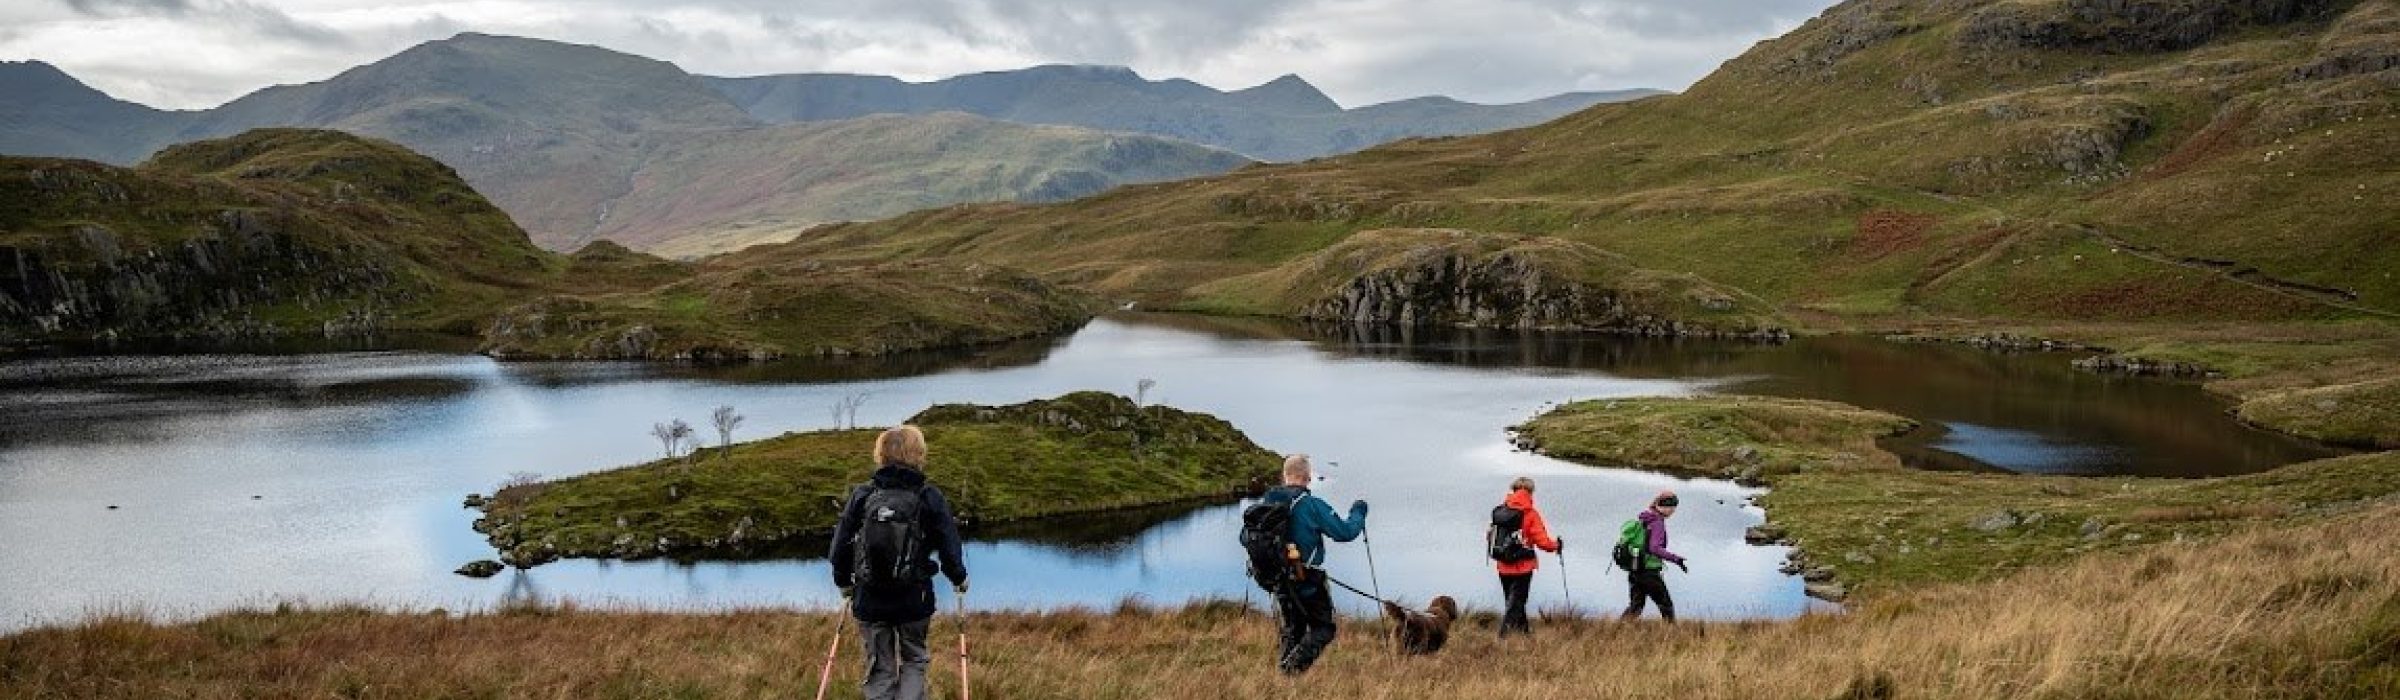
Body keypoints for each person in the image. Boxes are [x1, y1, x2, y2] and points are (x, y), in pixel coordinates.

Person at [830, 425, 968, 700]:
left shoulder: (863, 495)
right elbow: (949, 546)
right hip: (913, 599)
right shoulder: (929, 496)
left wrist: (844, 583)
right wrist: (959, 578)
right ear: (918, 454)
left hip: (869, 598)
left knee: (880, 666)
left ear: (880, 454)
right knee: (914, 660)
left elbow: (838, 550)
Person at [1255, 454, 1368, 675]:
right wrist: (1359, 512)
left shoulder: (1266, 504)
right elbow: (1345, 532)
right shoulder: (1311, 505)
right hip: (1305, 578)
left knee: (1293, 628)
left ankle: (1285, 680)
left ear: (1284, 475)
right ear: (1308, 478)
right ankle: (1290, 669)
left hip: (1276, 579)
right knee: (1324, 628)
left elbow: (1246, 537)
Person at [1491, 476, 1562, 637]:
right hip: (1523, 567)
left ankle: (1525, 634)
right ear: (1530, 492)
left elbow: (1490, 536)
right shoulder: (1530, 514)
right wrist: (1556, 546)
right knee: (1516, 604)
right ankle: (1502, 638)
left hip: (1503, 565)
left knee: (1513, 603)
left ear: (1513, 490)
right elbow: (1542, 541)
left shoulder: (1501, 511)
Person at [1621, 490, 1686, 622]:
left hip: (1636, 567)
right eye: (1671, 507)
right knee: (1666, 604)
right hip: (1649, 571)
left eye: (1674, 507)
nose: (1673, 510)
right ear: (1663, 506)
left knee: (1636, 605)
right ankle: (1672, 635)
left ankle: (1618, 630)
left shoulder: (1646, 517)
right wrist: (1676, 559)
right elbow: (1654, 548)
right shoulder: (1657, 522)